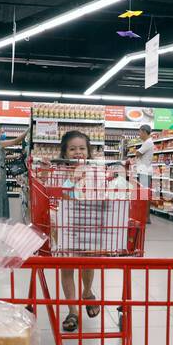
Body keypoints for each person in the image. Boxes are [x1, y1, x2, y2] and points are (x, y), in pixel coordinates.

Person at [56, 130, 100, 332]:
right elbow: (59, 198)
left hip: (88, 223)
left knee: (88, 263)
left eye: (82, 148)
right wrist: (72, 180)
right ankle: (72, 310)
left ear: (89, 152)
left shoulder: (95, 172)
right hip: (66, 225)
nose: (78, 152)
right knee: (67, 267)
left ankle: (88, 291)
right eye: (72, 149)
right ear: (64, 153)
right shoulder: (57, 172)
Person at [0, 125, 27, 222]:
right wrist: (27, 131)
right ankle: (0, 216)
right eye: (1, 132)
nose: (3, 134)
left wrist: (15, 156)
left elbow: (0, 158)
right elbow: (16, 141)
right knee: (0, 193)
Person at [131, 123, 155, 222]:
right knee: (143, 195)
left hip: (144, 172)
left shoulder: (148, 142)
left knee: (144, 195)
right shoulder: (146, 142)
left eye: (140, 133)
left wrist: (135, 152)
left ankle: (145, 217)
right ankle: (144, 216)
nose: (139, 135)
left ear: (145, 132)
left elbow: (138, 153)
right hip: (143, 171)